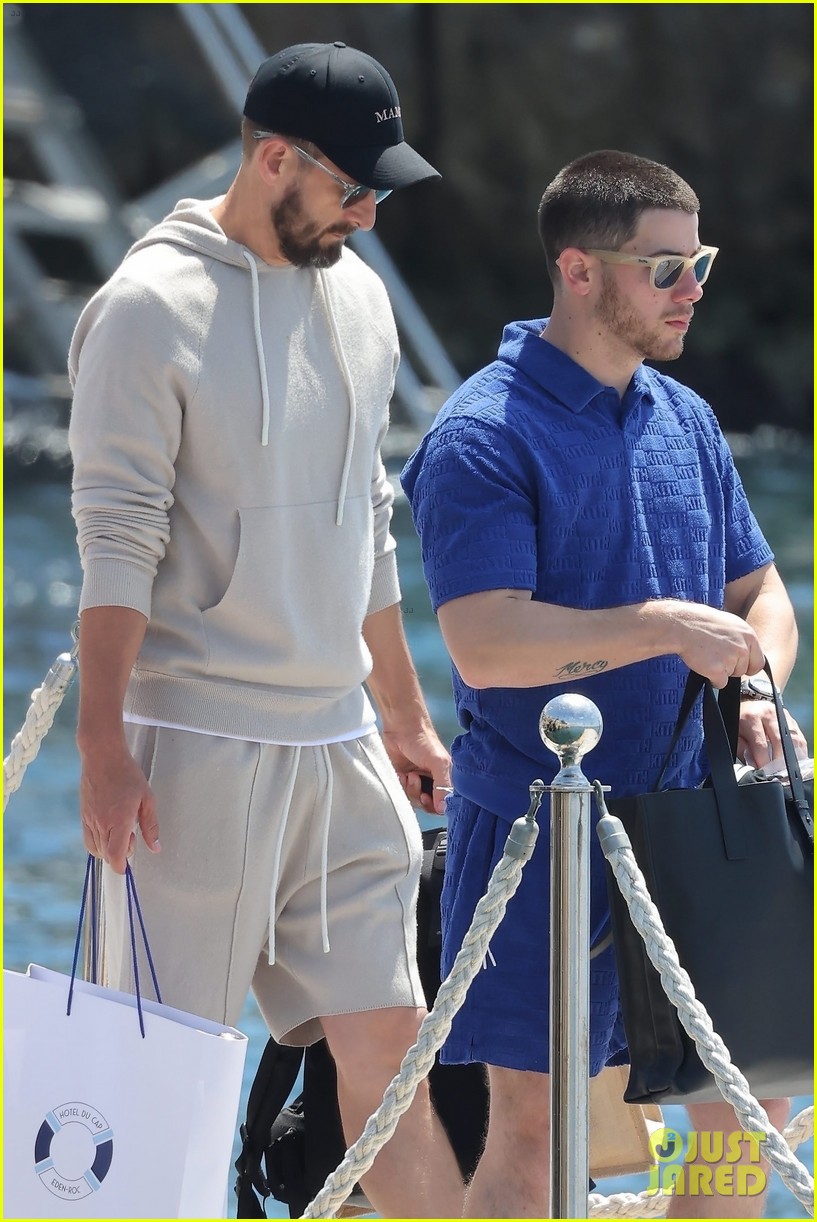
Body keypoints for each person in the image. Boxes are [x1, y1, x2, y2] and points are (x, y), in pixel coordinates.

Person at [68, 41, 464, 1218]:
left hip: (337, 746)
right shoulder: (146, 309)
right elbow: (115, 544)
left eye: (381, 191)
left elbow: (368, 529)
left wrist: (401, 714)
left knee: (392, 1058)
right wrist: (101, 749)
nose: (370, 214)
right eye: (352, 188)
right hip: (191, 746)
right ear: (271, 157)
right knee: (157, 1082)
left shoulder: (360, 302)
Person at [400, 149, 808, 1218]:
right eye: (663, 267)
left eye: (698, 260)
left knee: (744, 1116)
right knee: (534, 1135)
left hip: (701, 824)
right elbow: (485, 644)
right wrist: (663, 629)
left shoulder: (686, 419)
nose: (694, 287)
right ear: (578, 271)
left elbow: (761, 591)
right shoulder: (480, 435)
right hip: (543, 832)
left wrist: (756, 687)